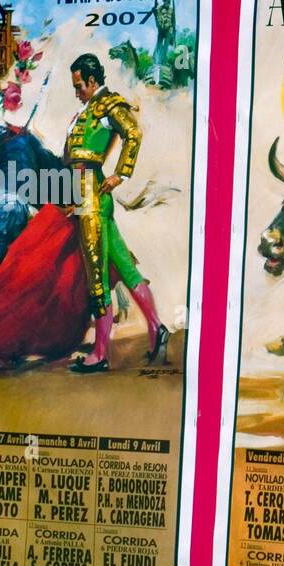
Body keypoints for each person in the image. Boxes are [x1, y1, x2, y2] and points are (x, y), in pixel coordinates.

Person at [64, 53, 168, 373]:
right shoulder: (90, 107)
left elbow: (133, 134)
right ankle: (157, 327)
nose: (77, 91)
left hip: (91, 197)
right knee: (123, 264)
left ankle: (100, 353)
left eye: (80, 85)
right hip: (88, 194)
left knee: (96, 275)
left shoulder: (107, 104)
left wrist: (121, 174)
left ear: (93, 81)